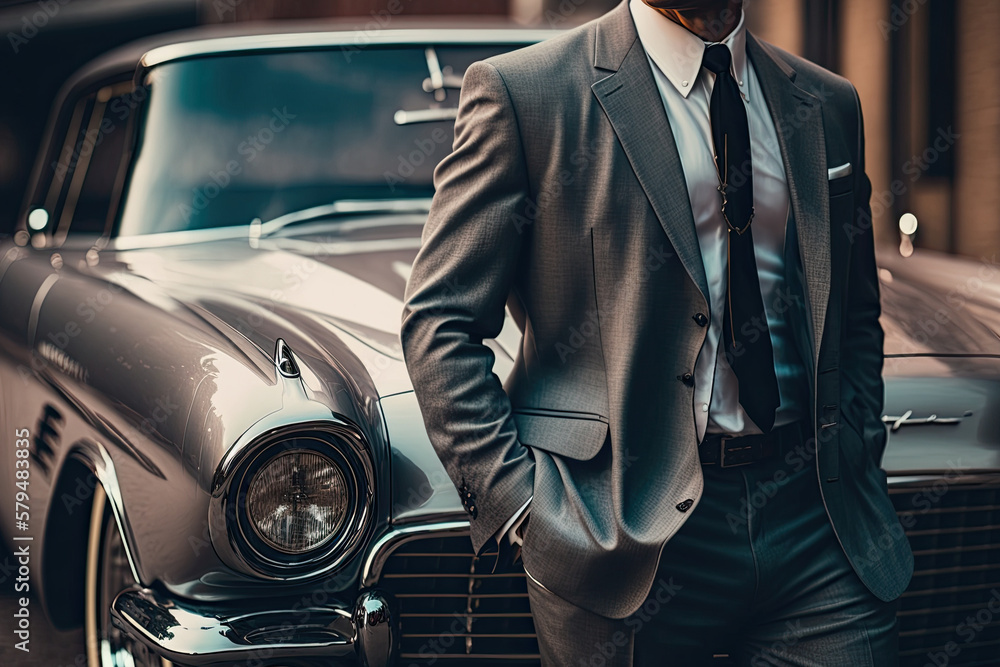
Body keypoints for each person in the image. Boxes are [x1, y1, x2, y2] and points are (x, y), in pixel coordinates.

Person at [400, 0, 914, 663]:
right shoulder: (526, 92)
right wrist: (521, 507)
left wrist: (857, 452)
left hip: (818, 524)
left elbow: (853, 314)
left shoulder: (827, 101)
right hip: (623, 529)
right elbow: (439, 319)